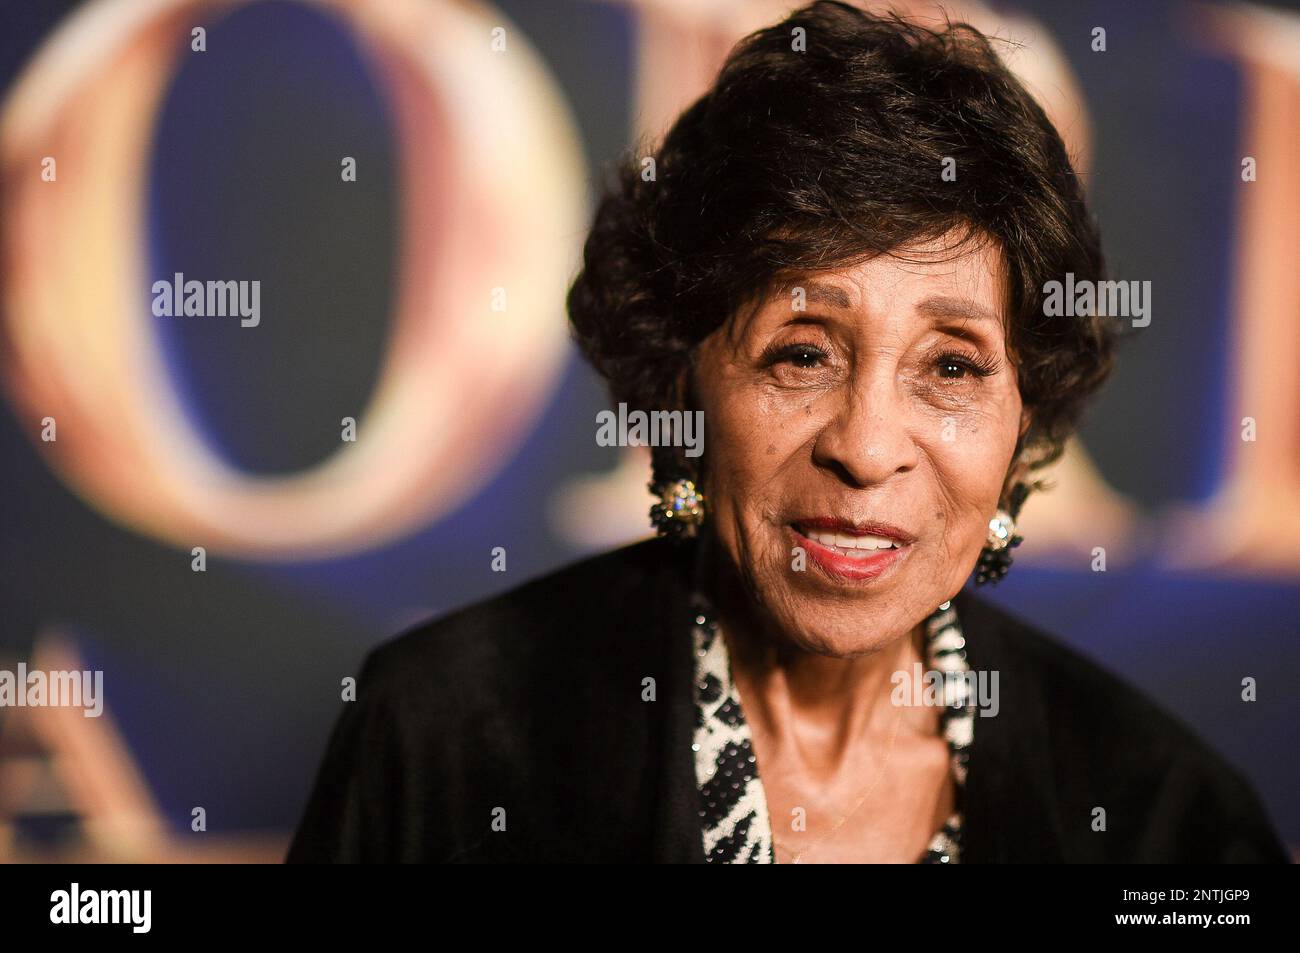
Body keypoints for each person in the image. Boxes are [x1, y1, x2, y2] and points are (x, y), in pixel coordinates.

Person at [287, 1, 1287, 863]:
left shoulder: (1166, 818)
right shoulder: (443, 737)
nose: (863, 445)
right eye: (801, 353)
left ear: (1023, 416)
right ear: (685, 372)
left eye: (950, 365)